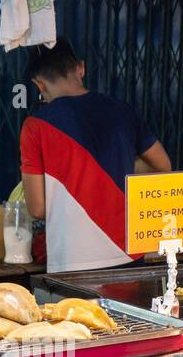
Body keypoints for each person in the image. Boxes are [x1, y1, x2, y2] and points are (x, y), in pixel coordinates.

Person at [19, 38, 171, 272]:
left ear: (39, 85)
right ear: (81, 68)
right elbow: (163, 166)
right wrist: (122, 163)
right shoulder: (122, 111)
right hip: (129, 254)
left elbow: (37, 207)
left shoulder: (35, 126)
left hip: (73, 261)